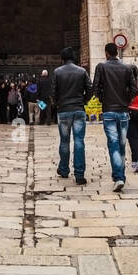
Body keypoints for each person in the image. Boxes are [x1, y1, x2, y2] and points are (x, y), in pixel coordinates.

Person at [92, 42, 138, 193]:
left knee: (113, 144)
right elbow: (134, 89)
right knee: (121, 144)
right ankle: (120, 176)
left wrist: (102, 99)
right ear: (117, 52)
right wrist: (127, 99)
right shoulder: (126, 68)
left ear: (106, 53)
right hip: (123, 111)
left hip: (109, 111)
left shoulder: (101, 67)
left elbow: (95, 87)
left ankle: (118, 177)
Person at [52, 48, 91, 184]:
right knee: (79, 141)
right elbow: (90, 89)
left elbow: (53, 92)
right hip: (78, 109)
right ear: (73, 58)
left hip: (63, 110)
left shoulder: (57, 72)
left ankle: (64, 169)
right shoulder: (82, 71)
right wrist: (84, 101)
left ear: (62, 58)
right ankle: (79, 174)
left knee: (64, 141)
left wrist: (58, 103)